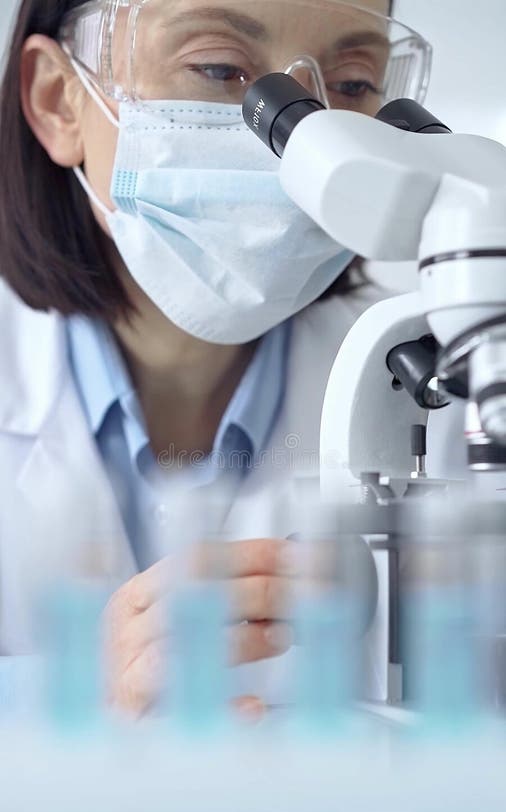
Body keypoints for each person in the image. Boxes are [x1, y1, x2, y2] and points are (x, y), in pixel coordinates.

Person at [0, 0, 431, 716]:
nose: (298, 136)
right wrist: (61, 701)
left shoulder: (438, 390)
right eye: (220, 68)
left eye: (354, 83)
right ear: (58, 101)